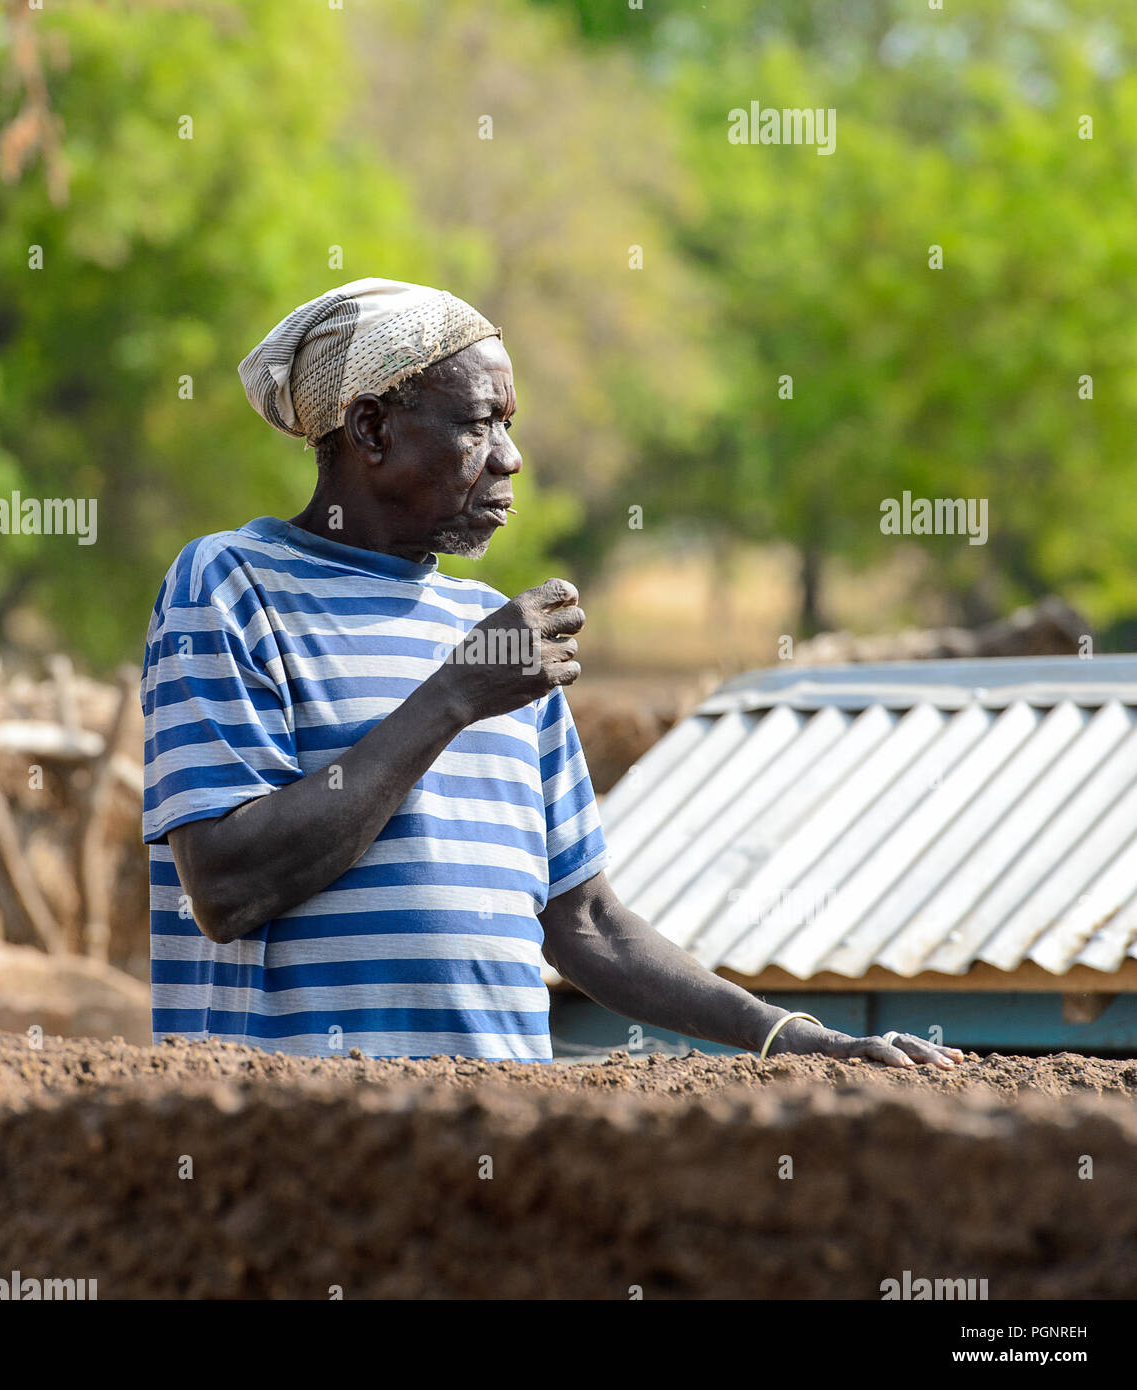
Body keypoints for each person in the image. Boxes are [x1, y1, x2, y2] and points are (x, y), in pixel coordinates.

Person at [140, 276, 963, 1069]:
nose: (512, 459)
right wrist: (455, 697)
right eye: (479, 424)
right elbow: (226, 884)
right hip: (302, 1142)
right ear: (371, 431)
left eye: (511, 424)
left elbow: (586, 923)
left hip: (496, 1146)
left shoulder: (488, 629)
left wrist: (784, 1034)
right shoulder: (231, 583)